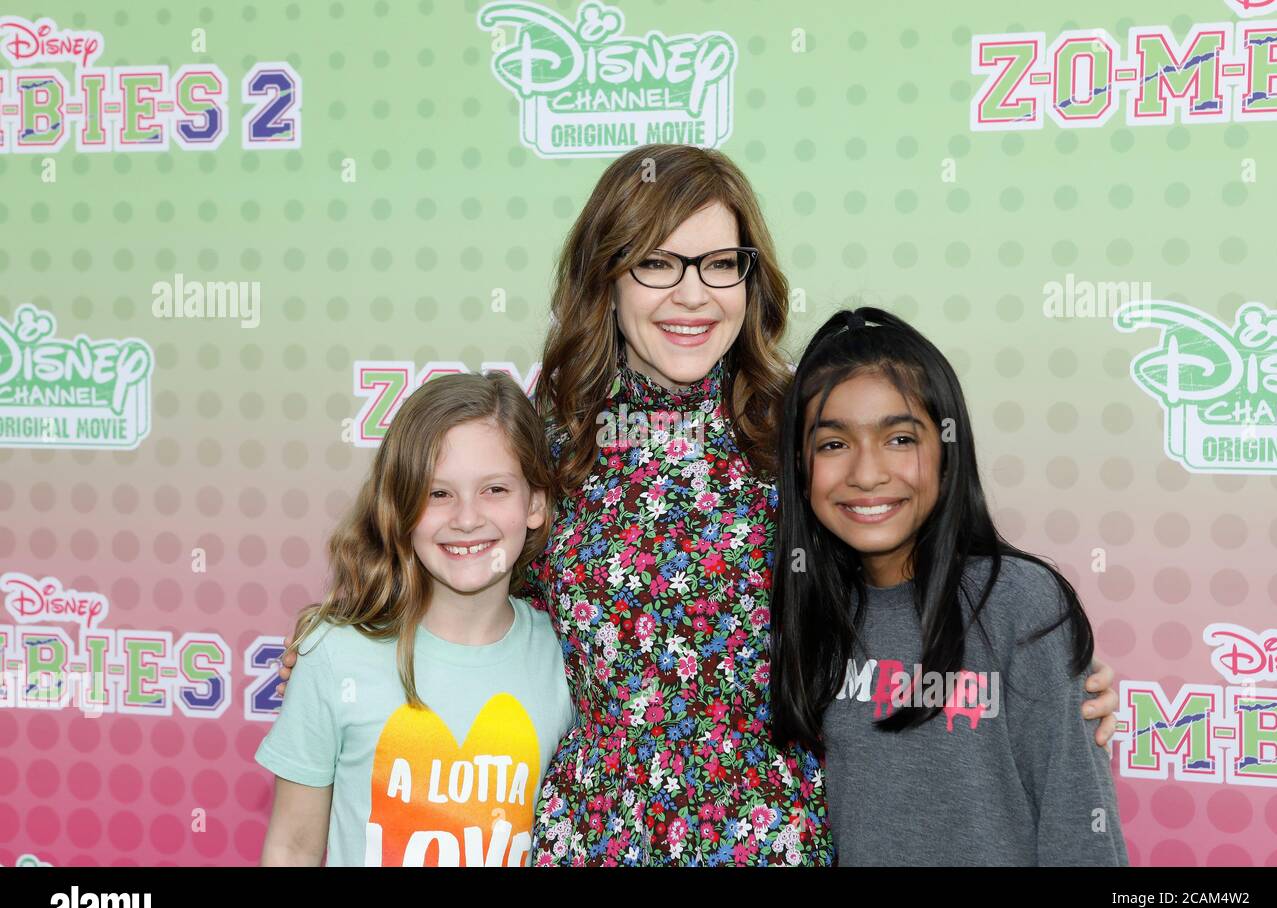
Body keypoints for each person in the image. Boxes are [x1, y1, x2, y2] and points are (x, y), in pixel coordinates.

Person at [280, 145, 1122, 867]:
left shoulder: (800, 429)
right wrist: (346, 639)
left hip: (772, 838)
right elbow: (455, 560)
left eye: (721, 264)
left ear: (750, 280)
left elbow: (922, 575)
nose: (693, 295)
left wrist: (1033, 679)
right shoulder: (544, 441)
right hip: (593, 836)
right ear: (605, 277)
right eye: (657, 262)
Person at [770, 308, 1128, 865]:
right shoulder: (806, 614)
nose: (867, 473)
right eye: (833, 444)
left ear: (947, 450)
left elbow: (1079, 827)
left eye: (900, 438)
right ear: (800, 464)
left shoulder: (1020, 602)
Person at [257, 373, 573, 866]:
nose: (467, 519)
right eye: (438, 494)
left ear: (534, 503)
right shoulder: (333, 654)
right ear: (401, 507)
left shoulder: (566, 657)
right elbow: (293, 846)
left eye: (494, 489)